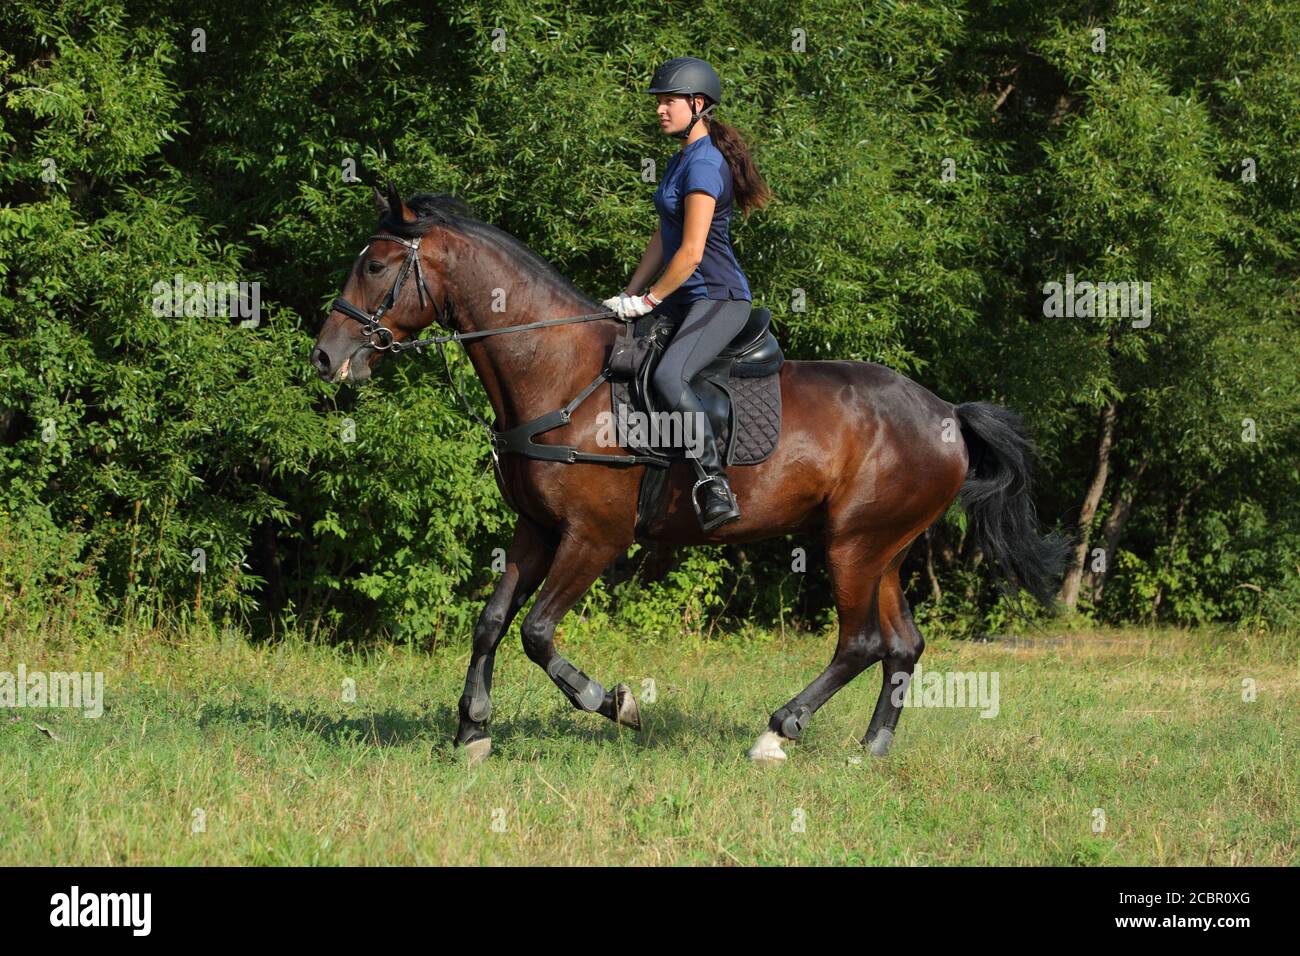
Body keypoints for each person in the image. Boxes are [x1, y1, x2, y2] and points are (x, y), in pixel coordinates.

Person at [603, 56, 772, 532]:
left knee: (671, 376)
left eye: (669, 101)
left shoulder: (705, 163)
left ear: (698, 105)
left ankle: (712, 480)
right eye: (659, 101)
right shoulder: (680, 160)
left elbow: (691, 253)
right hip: (681, 298)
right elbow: (663, 238)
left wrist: (650, 300)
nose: (660, 109)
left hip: (717, 298)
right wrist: (628, 295)